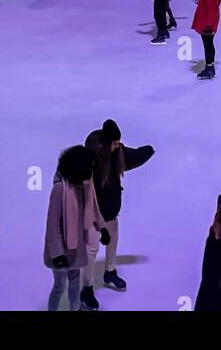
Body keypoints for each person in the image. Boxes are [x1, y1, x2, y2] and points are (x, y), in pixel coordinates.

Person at [80, 119, 155, 308]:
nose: (118, 145)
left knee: (113, 239)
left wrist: (148, 151)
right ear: (106, 143)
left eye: (119, 142)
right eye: (114, 143)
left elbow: (132, 156)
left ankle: (110, 272)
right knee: (91, 250)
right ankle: (86, 290)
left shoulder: (117, 152)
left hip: (111, 209)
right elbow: (85, 190)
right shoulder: (93, 157)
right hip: (93, 213)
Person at [43, 144, 110, 312]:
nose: (91, 172)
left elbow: (93, 209)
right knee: (59, 286)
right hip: (60, 249)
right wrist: (58, 254)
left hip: (77, 246)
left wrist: (102, 228)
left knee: (74, 284)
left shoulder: (86, 185)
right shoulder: (60, 190)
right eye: (89, 168)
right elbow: (52, 225)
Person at [193, 0, 221, 79]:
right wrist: (199, 2)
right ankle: (210, 67)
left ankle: (209, 68)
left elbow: (211, 9)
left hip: (207, 22)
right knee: (209, 44)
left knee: (208, 45)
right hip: (209, 21)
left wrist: (209, 25)